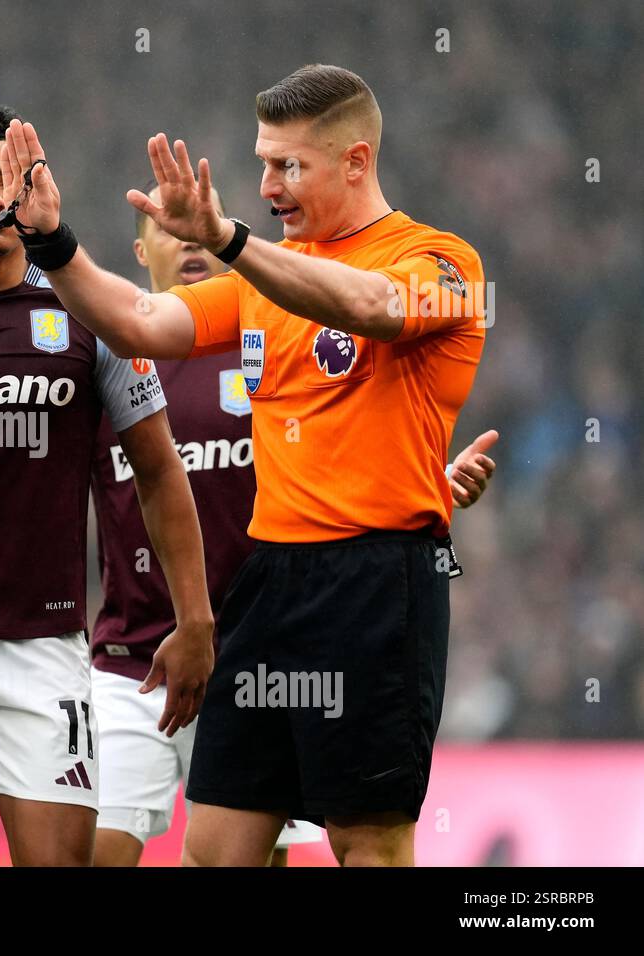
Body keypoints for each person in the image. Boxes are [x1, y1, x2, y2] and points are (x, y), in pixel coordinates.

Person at [0, 63, 489, 866]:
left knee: (365, 841)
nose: (267, 186)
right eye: (262, 163)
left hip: (374, 584)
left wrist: (227, 239)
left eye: (287, 166)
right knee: (219, 848)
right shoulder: (266, 278)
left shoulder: (444, 264)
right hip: (265, 587)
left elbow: (374, 308)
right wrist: (53, 244)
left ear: (356, 162)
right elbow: (142, 320)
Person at [91, 185, 497, 867]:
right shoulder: (113, 358)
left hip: (258, 649)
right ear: (139, 250)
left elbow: (352, 458)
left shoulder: (274, 342)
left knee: (258, 851)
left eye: (200, 231)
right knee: (93, 852)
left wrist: (427, 482)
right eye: (169, 232)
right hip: (135, 659)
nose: (190, 244)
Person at [0, 105, 213, 866]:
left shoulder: (90, 310)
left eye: (12, 179)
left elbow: (160, 471)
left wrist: (194, 620)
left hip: (50, 649)